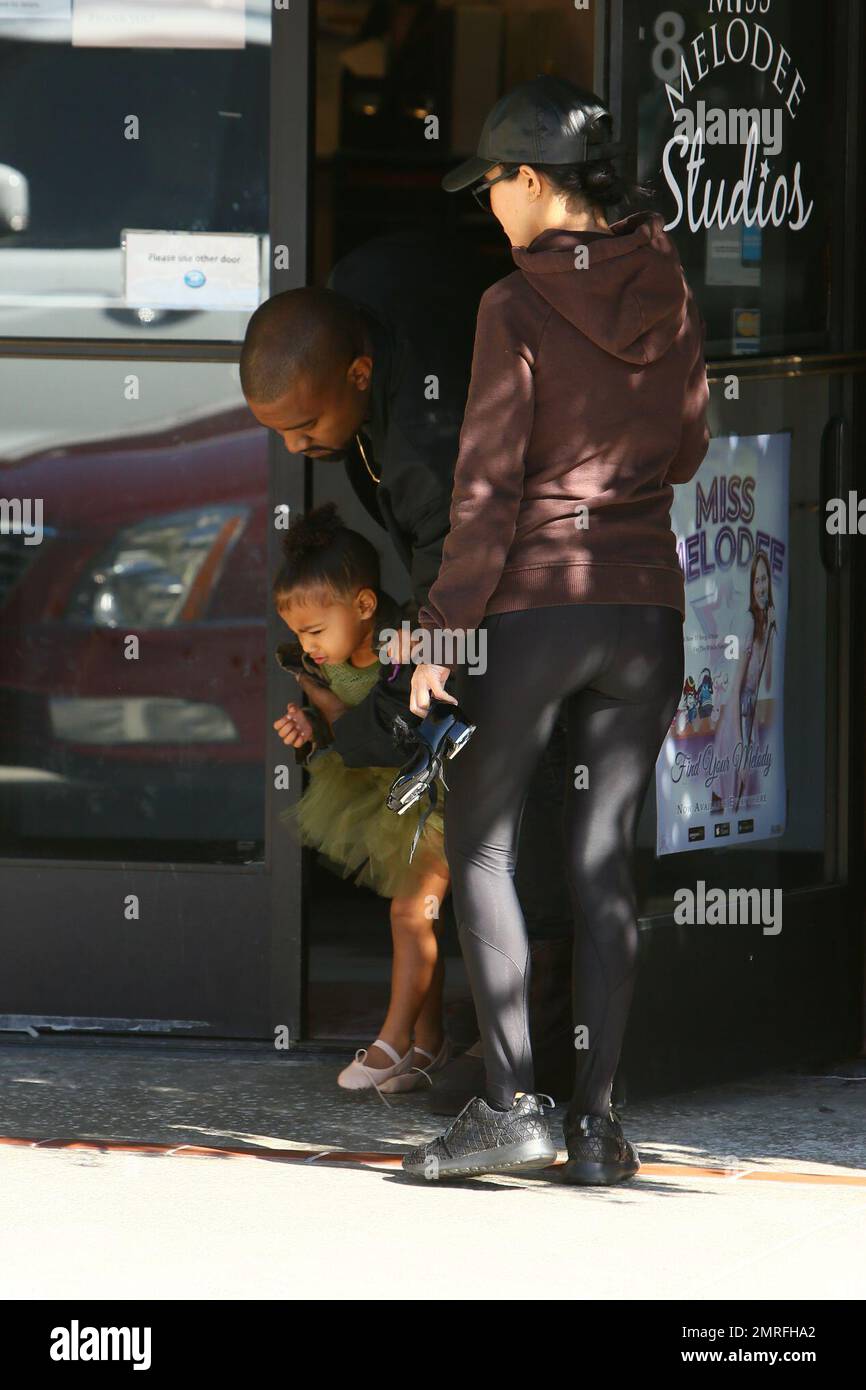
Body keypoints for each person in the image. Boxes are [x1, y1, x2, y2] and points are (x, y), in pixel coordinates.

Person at [402, 75, 710, 1183]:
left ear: (531, 181)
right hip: (645, 608)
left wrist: (439, 634)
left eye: (490, 183)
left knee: (480, 842)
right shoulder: (665, 282)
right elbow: (684, 450)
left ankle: (507, 1104)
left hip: (534, 604)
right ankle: (596, 1125)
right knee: (600, 865)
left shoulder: (513, 306)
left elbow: (483, 492)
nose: (487, 205)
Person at [241, 232, 578, 1103]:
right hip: (462, 586)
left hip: (535, 601)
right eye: (275, 431)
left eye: (306, 426)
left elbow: (450, 579)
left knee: (508, 838)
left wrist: (386, 719)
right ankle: (452, 1033)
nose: (295, 447)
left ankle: (537, 1050)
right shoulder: (360, 286)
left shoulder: (426, 455)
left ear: (359, 375)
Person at [272, 502, 452, 1096]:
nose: (308, 645)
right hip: (381, 794)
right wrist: (311, 727)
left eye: (316, 631)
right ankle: (426, 1049)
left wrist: (332, 716)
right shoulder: (321, 661)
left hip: (438, 791)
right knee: (410, 917)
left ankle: (392, 1040)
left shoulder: (401, 650)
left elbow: (400, 732)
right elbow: (343, 729)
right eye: (299, 633)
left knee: (411, 913)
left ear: (366, 606)